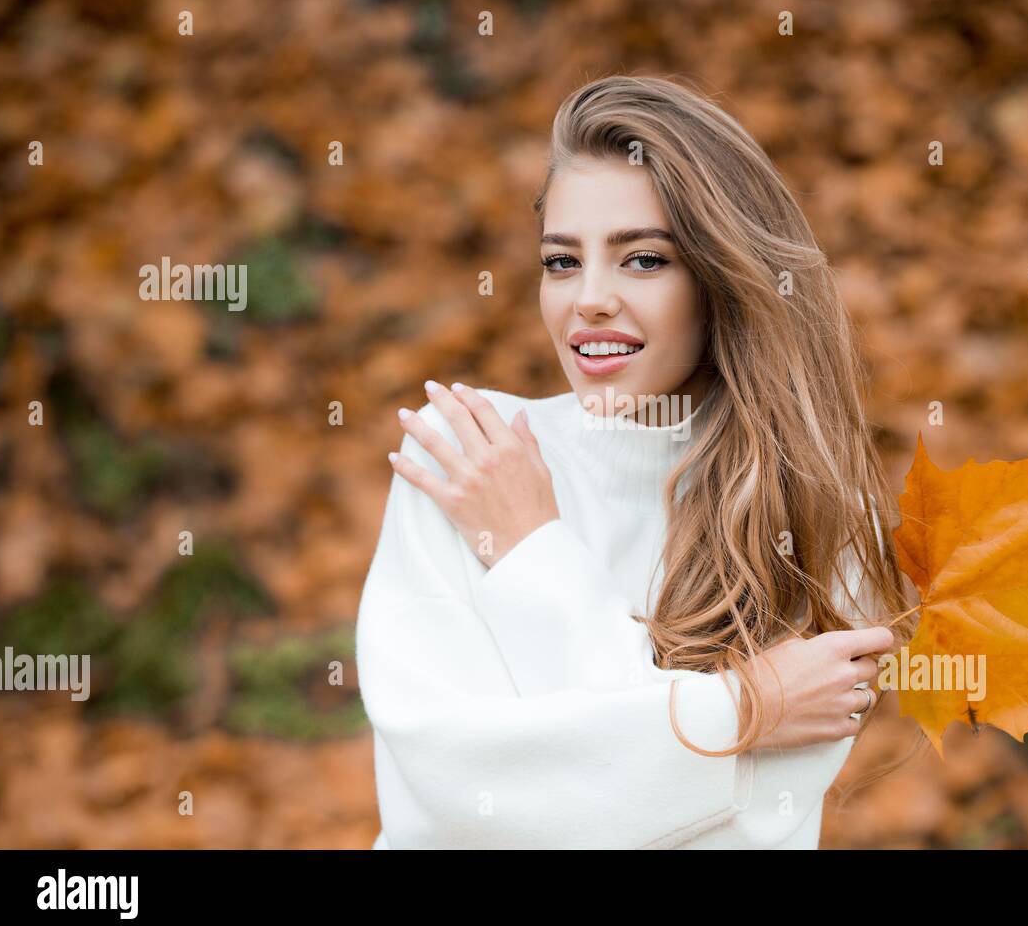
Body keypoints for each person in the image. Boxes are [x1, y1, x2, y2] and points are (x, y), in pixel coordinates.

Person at [356, 75, 913, 849]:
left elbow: (741, 833)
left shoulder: (818, 506)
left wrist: (527, 554)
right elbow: (462, 788)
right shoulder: (472, 453)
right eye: (560, 261)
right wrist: (744, 710)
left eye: (643, 260)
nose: (588, 299)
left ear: (724, 279)